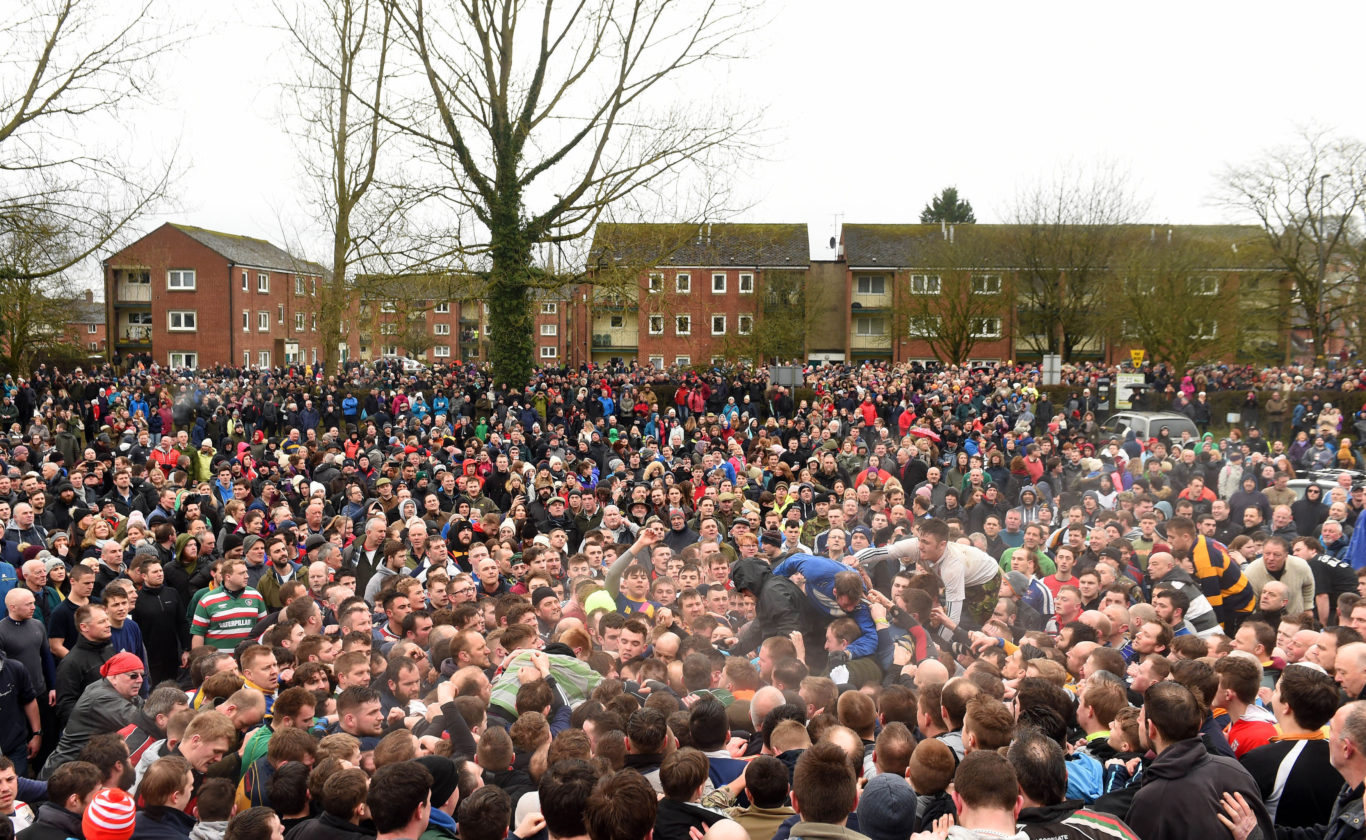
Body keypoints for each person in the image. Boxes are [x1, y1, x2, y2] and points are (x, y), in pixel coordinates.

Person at [1125, 682, 1272, 840]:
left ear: (1152, 728)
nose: (1137, 722)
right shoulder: (1236, 771)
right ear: (1199, 724)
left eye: (1140, 718)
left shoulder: (1150, 799)